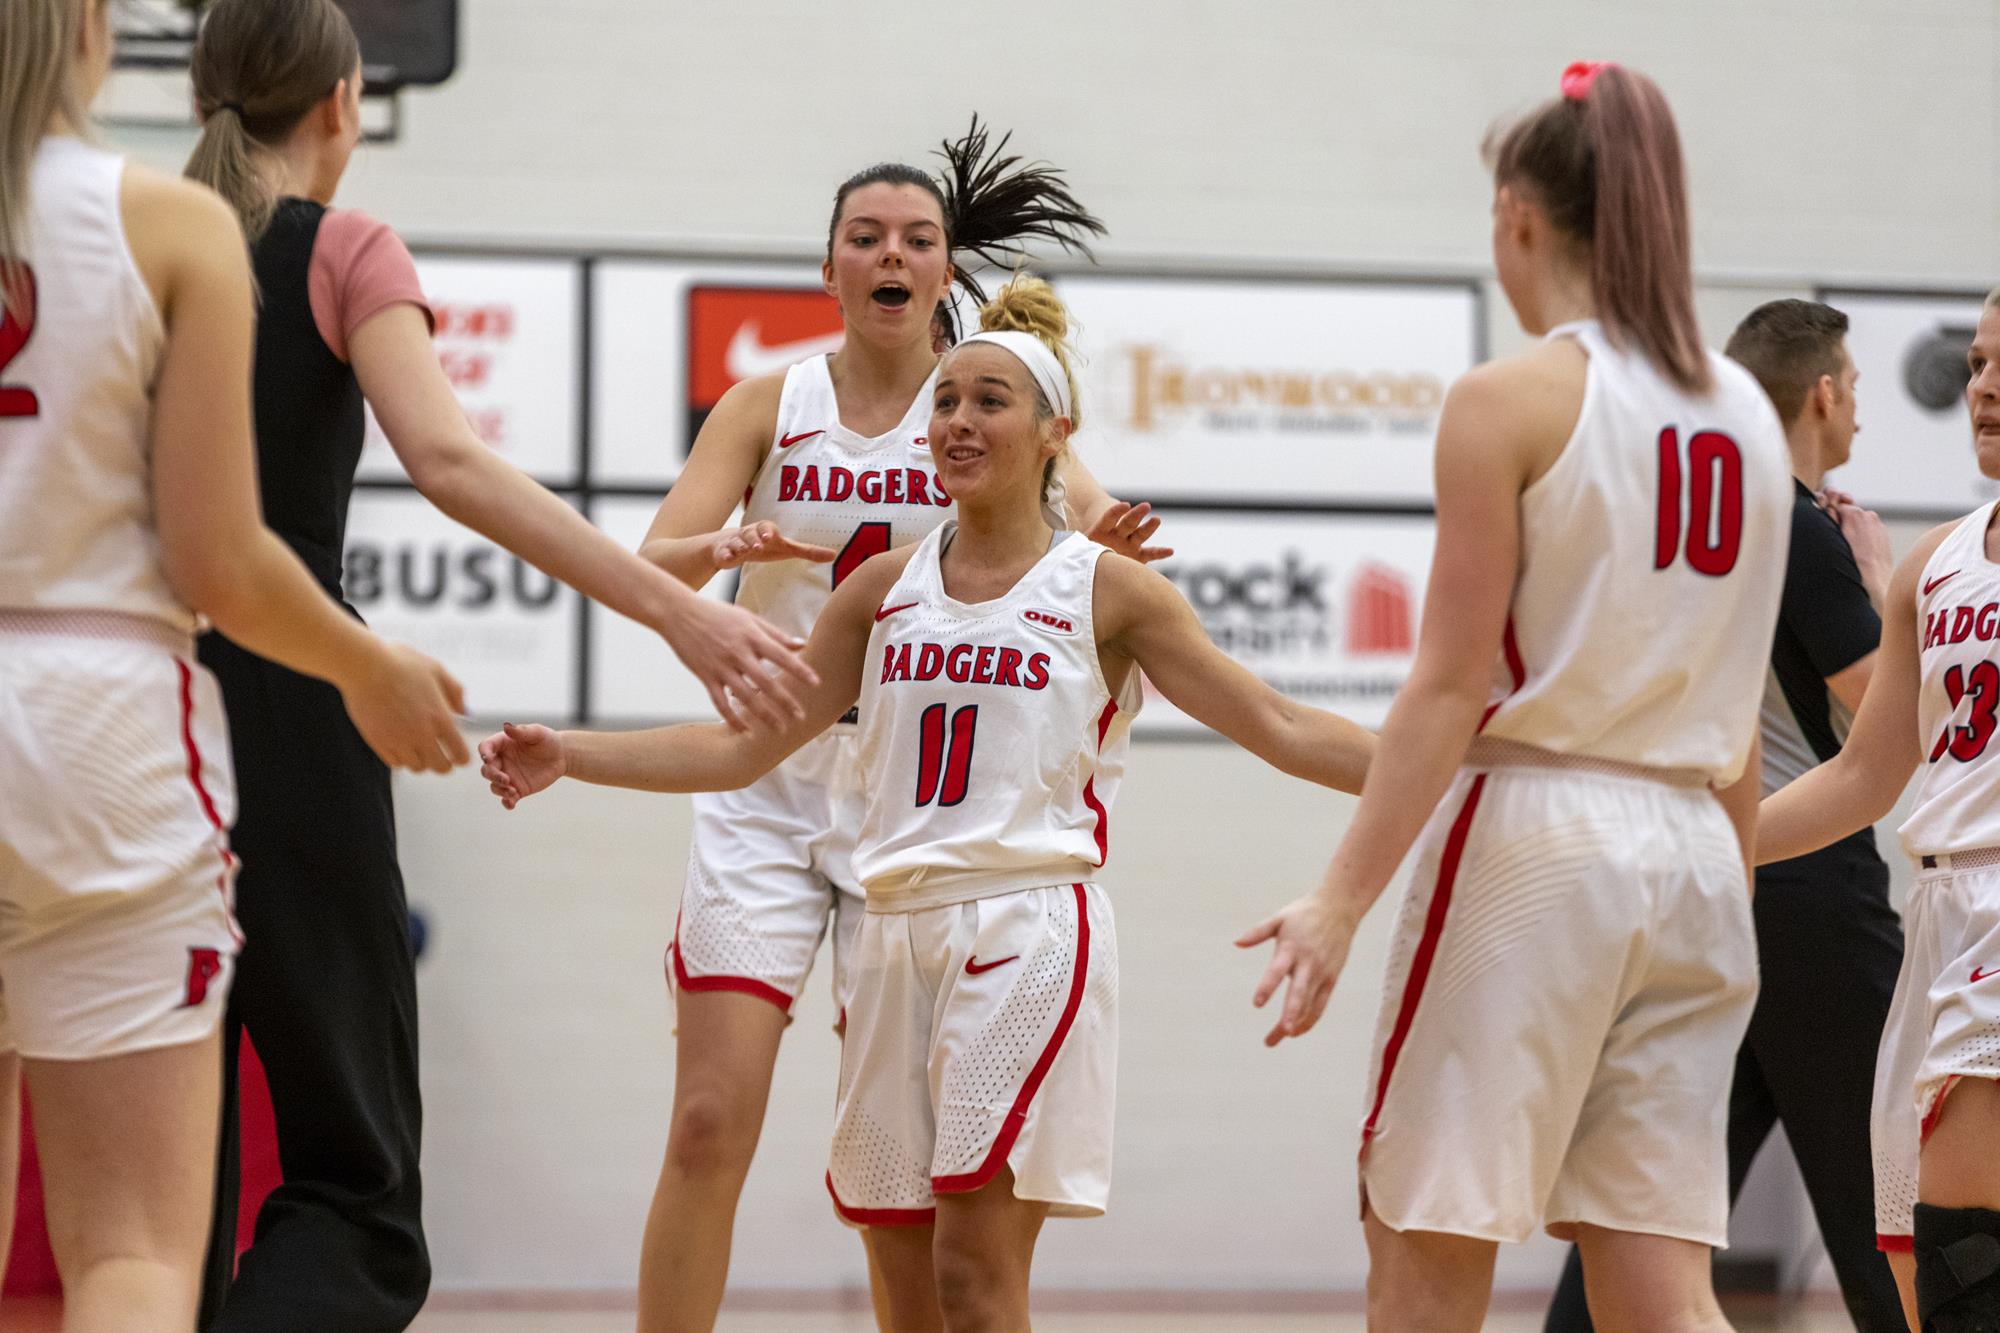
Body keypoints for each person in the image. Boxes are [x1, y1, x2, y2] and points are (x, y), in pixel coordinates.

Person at [479, 274, 1375, 1332]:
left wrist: (1459, 764)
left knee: (972, 1275)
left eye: (987, 401)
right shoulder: (880, 591)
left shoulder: (1106, 588)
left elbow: (1278, 725)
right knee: (905, 1284)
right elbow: (737, 749)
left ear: (1054, 435)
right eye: (944, 402)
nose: (955, 420)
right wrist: (570, 756)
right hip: (893, 929)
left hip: (1024, 922)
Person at [179, 2, 816, 1328]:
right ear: (345, 102)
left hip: (137, 706)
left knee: (156, 1194)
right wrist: (678, 612)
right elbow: (454, 462)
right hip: (294, 705)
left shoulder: (135, 242)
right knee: (356, 1193)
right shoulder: (342, 245)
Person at [1241, 62, 1793, 1331]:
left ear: (1514, 216)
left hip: (1537, 844)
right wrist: (1733, 890)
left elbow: (1445, 690)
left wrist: (1336, 902)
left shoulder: (1508, 400)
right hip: (1699, 859)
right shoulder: (1752, 421)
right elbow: (1739, 711)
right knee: (1660, 1281)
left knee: (1423, 1238)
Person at [631, 123, 1166, 1330]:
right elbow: (648, 560)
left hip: (919, 808)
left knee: (908, 1190)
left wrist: (1110, 546)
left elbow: (1079, 544)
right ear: (827, 269)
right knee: (708, 1119)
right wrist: (718, 551)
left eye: (915, 238)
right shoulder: (773, 400)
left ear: (943, 267)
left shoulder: (982, 398)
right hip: (771, 781)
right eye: (864, 236)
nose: (890, 253)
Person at [0, 0, 469, 1326]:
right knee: (153, 1247)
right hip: (132, 706)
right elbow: (230, 549)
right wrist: (370, 665)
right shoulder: (175, 225)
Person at [1542, 299, 1907, 1330]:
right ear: (1823, 393)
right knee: (1878, 1190)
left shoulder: (1690, 528)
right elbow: (1879, 706)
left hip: (1697, 882)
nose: (1857, 423)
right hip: (1809, 892)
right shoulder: (1799, 523)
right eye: (1854, 394)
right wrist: (1884, 587)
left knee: (1644, 1189)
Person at [1755, 287, 2000, 1333]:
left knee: (1962, 1256)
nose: (1980, 388)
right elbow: (1862, 773)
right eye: (1977, 362)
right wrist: (1702, 841)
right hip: (1937, 918)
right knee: (1906, 1264)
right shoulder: (1931, 565)